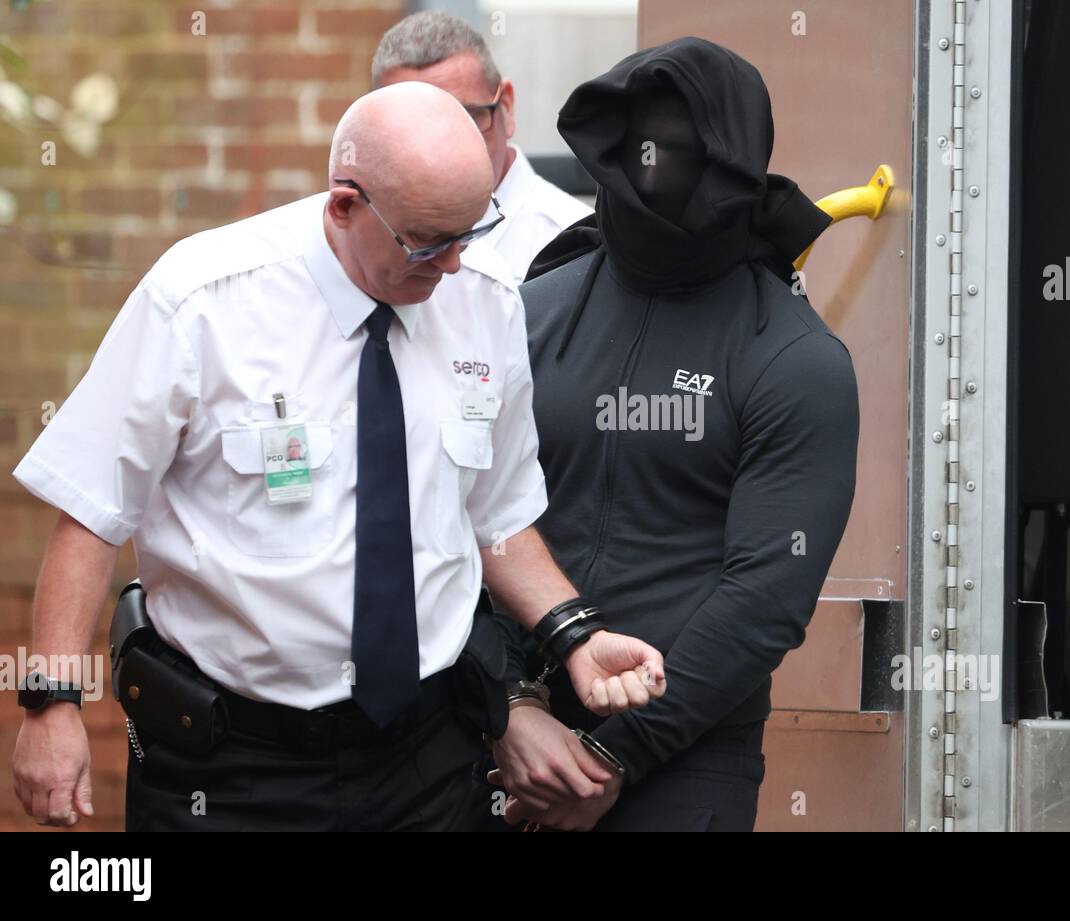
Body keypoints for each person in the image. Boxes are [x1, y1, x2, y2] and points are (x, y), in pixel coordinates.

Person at [10, 81, 664, 831]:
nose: (450, 266)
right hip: (232, 768)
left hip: (425, 754)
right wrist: (52, 703)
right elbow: (91, 515)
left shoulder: (485, 301)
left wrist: (573, 632)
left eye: (468, 233)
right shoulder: (204, 301)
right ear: (345, 205)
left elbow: (497, 517)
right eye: (425, 241)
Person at [480, 37, 860, 831]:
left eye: (683, 156)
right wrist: (511, 702)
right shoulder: (529, 313)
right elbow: (467, 520)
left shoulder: (793, 357)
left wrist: (618, 757)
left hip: (684, 765)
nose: (657, 171)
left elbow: (765, 599)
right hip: (498, 738)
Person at [371, 10, 592, 286]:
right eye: (413, 128)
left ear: (507, 107)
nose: (441, 149)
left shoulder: (574, 247)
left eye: (466, 117)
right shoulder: (362, 235)